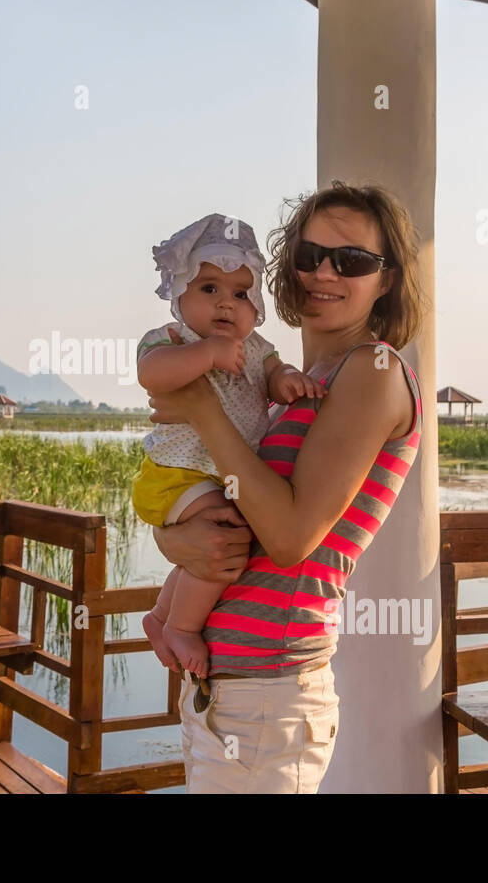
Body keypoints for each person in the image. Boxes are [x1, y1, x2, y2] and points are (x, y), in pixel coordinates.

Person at [146, 181, 427, 793]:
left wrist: (200, 406)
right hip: (227, 685)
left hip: (268, 693)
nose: (323, 271)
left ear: (386, 279)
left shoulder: (375, 370)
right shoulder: (292, 385)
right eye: (309, 255)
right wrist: (177, 541)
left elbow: (292, 537)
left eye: (350, 260)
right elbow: (232, 497)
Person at [131, 213, 322, 678]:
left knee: (211, 543)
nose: (225, 305)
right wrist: (207, 355)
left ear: (256, 306)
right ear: (180, 295)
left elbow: (273, 376)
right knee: (226, 534)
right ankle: (182, 627)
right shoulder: (173, 340)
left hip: (212, 476)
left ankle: (161, 616)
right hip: (177, 474)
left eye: (240, 294)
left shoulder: (257, 349)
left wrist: (288, 380)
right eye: (209, 289)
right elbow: (151, 374)